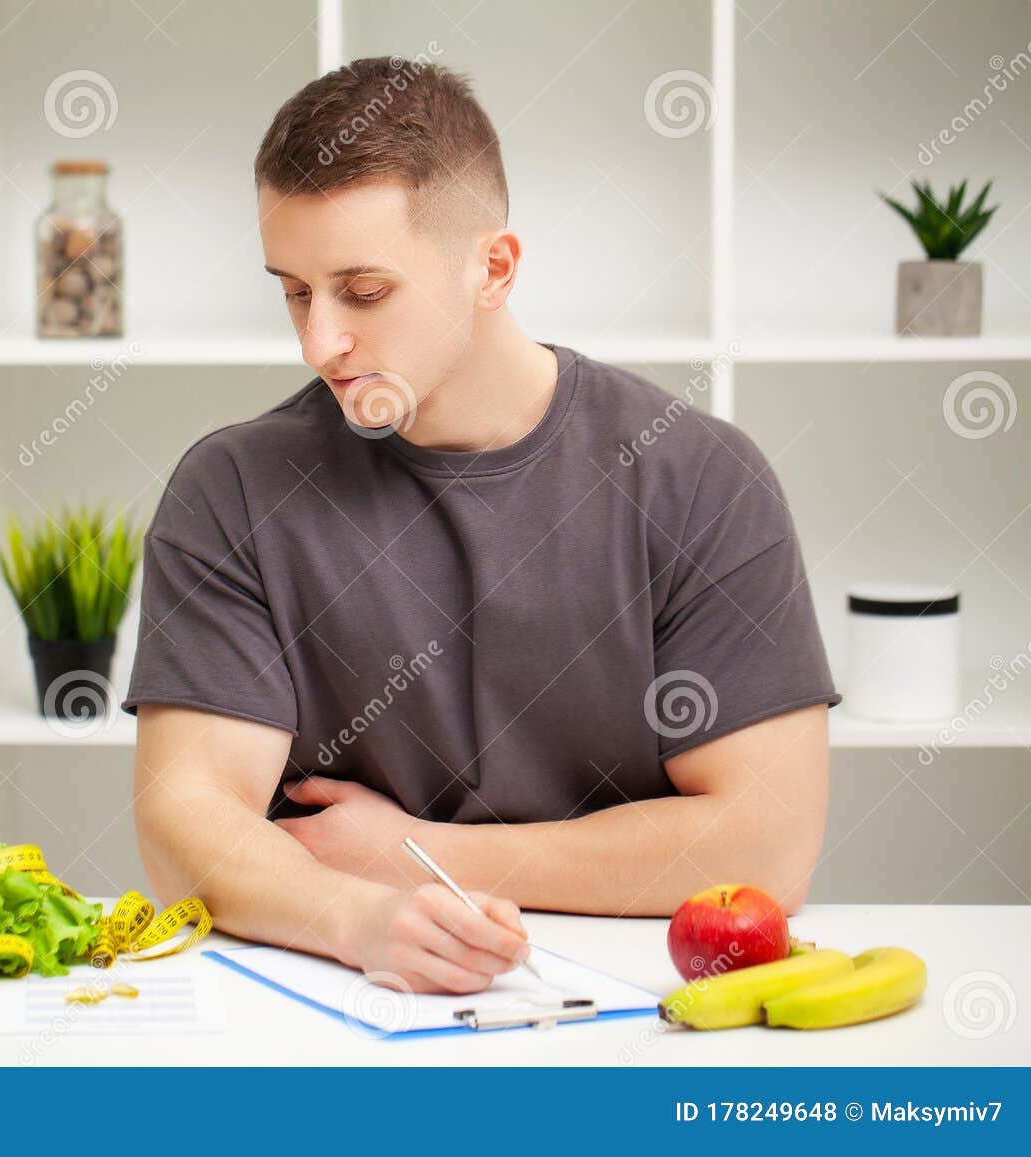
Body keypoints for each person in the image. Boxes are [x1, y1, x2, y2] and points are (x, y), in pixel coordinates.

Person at [120, 57, 840, 995]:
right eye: (295, 290)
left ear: (493, 268)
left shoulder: (697, 475)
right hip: (344, 995)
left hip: (639, 1003)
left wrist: (413, 854)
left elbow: (765, 845)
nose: (316, 342)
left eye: (363, 292)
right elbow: (186, 822)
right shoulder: (235, 486)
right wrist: (358, 919)